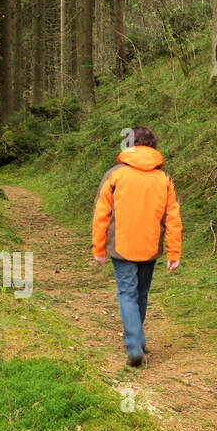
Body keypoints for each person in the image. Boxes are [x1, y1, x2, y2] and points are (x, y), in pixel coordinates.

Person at [91, 126, 182, 367]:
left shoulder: (115, 175)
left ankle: (134, 345)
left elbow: (101, 215)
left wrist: (99, 248)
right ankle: (137, 342)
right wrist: (174, 252)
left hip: (121, 247)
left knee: (127, 294)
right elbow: (173, 218)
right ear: (152, 147)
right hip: (150, 247)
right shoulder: (164, 179)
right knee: (141, 294)